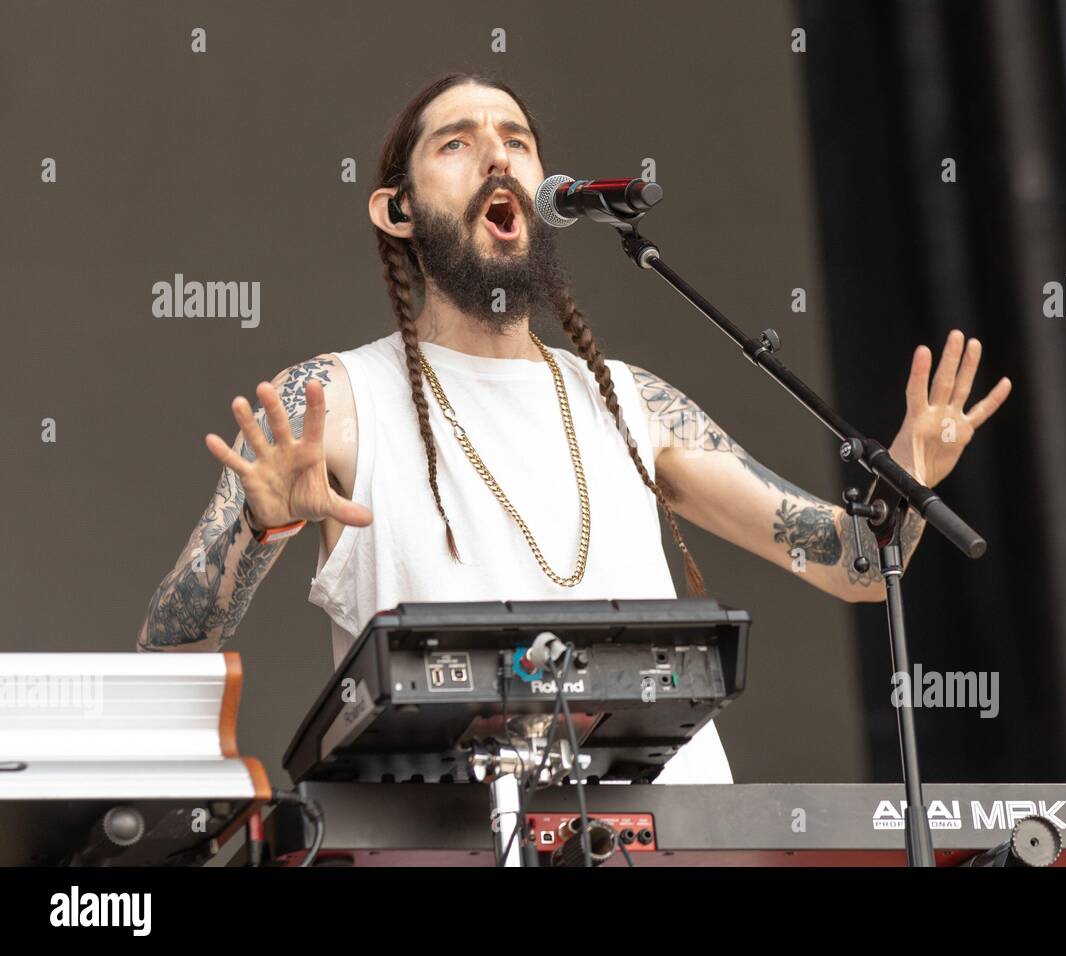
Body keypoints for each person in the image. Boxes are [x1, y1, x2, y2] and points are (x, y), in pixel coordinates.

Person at [137, 72, 1012, 785]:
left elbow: (858, 566)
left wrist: (910, 465)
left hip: (676, 837)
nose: (498, 156)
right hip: (456, 836)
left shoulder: (630, 401)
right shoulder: (335, 399)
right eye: (458, 142)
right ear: (396, 211)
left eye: (516, 139)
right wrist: (259, 526)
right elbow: (167, 652)